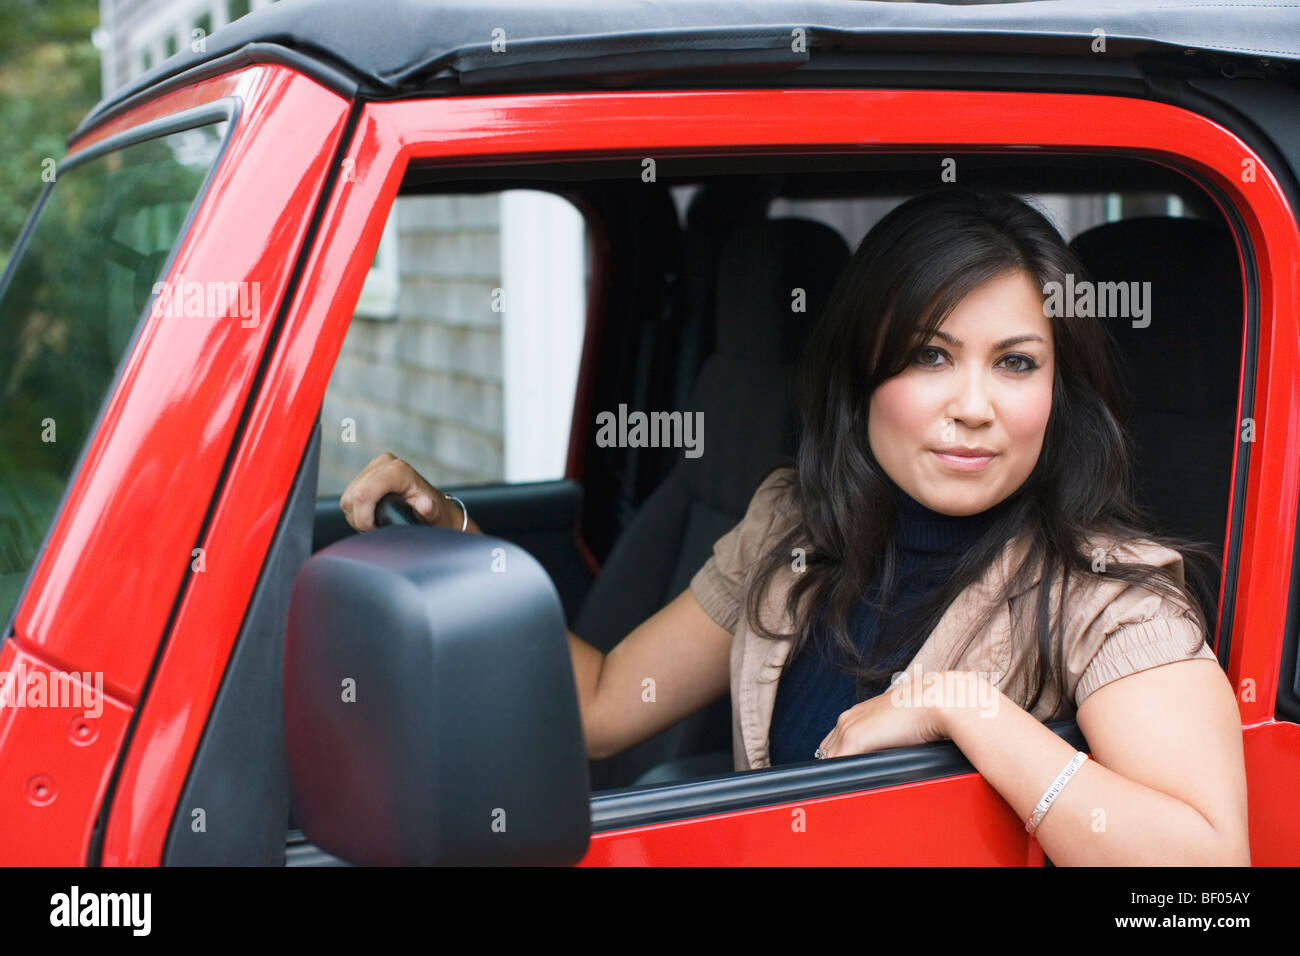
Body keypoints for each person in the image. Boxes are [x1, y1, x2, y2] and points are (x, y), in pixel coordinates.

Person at [339, 186, 1249, 866]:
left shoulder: (1107, 596)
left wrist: (967, 709)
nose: (974, 407)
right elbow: (606, 705)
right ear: (860, 376)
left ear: (1058, 391)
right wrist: (452, 536)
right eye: (930, 355)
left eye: (1016, 363)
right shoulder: (792, 526)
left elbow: (1206, 884)